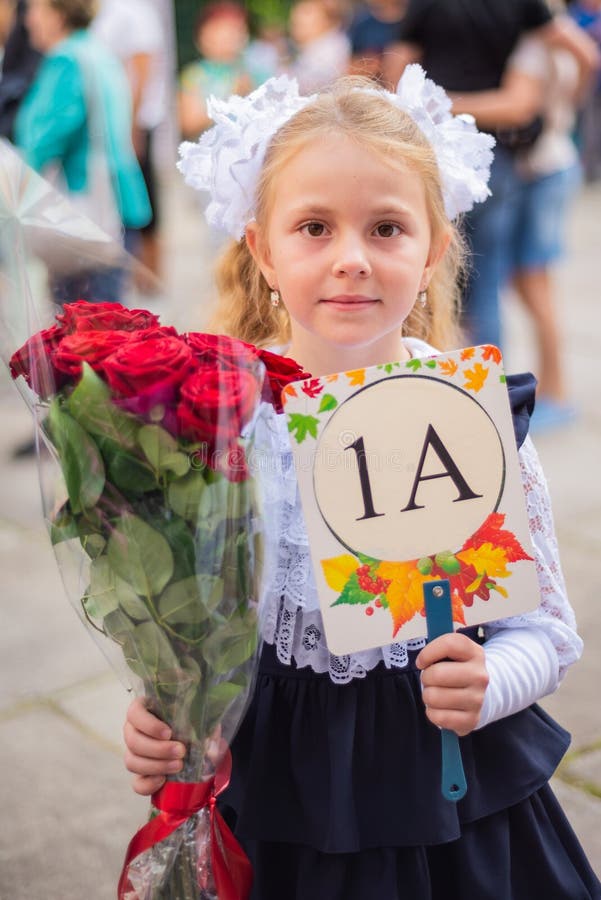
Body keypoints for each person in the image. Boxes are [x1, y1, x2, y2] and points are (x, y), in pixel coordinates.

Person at [122, 72, 601, 899]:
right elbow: (190, 627)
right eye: (313, 227)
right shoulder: (224, 433)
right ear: (262, 250)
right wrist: (162, 718)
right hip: (274, 795)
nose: (350, 259)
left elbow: (547, 630)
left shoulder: (467, 420)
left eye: (386, 227)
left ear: (431, 251)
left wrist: (492, 683)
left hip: (447, 795)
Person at [385, 0, 600, 350]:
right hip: (491, 153)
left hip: (434, 150)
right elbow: (585, 54)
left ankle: (423, 380)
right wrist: (564, 110)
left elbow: (397, 67)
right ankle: (486, 392)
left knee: (422, 278)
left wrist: (428, 105)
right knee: (485, 281)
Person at [14, 0, 151, 305]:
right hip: (119, 201)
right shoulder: (98, 52)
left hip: (86, 209)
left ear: (58, 15)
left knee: (81, 332)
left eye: (36, 10)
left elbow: (43, 136)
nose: (28, 20)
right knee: (109, 320)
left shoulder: (65, 59)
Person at [92, 0, 169, 290]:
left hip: (132, 121)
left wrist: (131, 125)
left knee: (141, 200)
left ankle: (149, 275)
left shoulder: (134, 10)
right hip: (113, 121)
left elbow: (141, 68)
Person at [178, 2, 262, 142]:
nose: (233, 36)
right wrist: (230, 99)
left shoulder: (252, 71)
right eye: (225, 30)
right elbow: (188, 123)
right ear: (204, 35)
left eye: (238, 29)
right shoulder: (194, 76)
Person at [288, 0, 351, 94]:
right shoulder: (310, 49)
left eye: (307, 12)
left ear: (327, 20)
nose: (296, 17)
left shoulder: (331, 48)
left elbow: (310, 85)